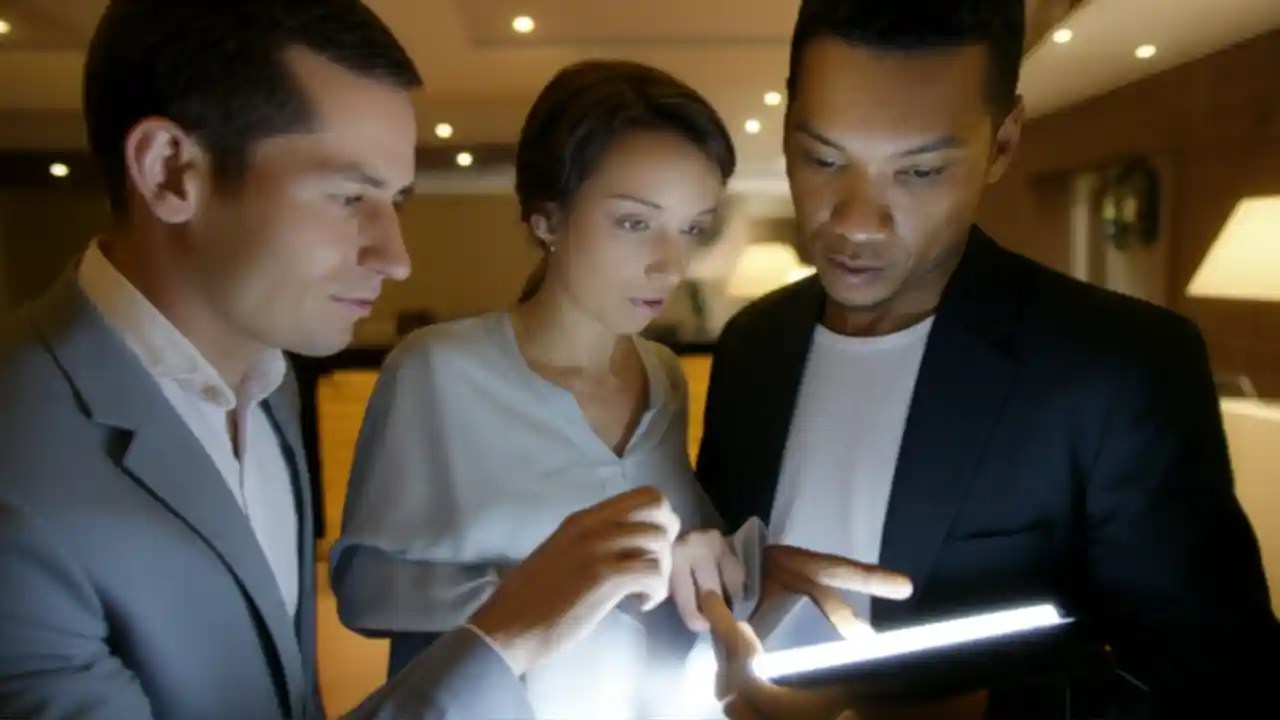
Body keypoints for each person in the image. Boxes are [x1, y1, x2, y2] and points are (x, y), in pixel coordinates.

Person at [0, 2, 685, 718]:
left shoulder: (269, 385)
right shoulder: (19, 472)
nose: (395, 257)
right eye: (348, 197)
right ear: (171, 171)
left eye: (394, 201)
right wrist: (508, 632)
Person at [694, 0, 1280, 718]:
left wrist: (907, 716)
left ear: (1002, 144)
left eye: (919, 171)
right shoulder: (754, 344)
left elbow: (1225, 685)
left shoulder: (1120, 368)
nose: (855, 222)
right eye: (823, 158)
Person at [330, 58, 756, 720]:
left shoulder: (664, 377)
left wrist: (699, 554)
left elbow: (672, 559)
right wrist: (551, 588)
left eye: (692, 228)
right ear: (548, 219)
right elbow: (365, 589)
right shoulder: (438, 370)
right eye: (634, 223)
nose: (671, 265)